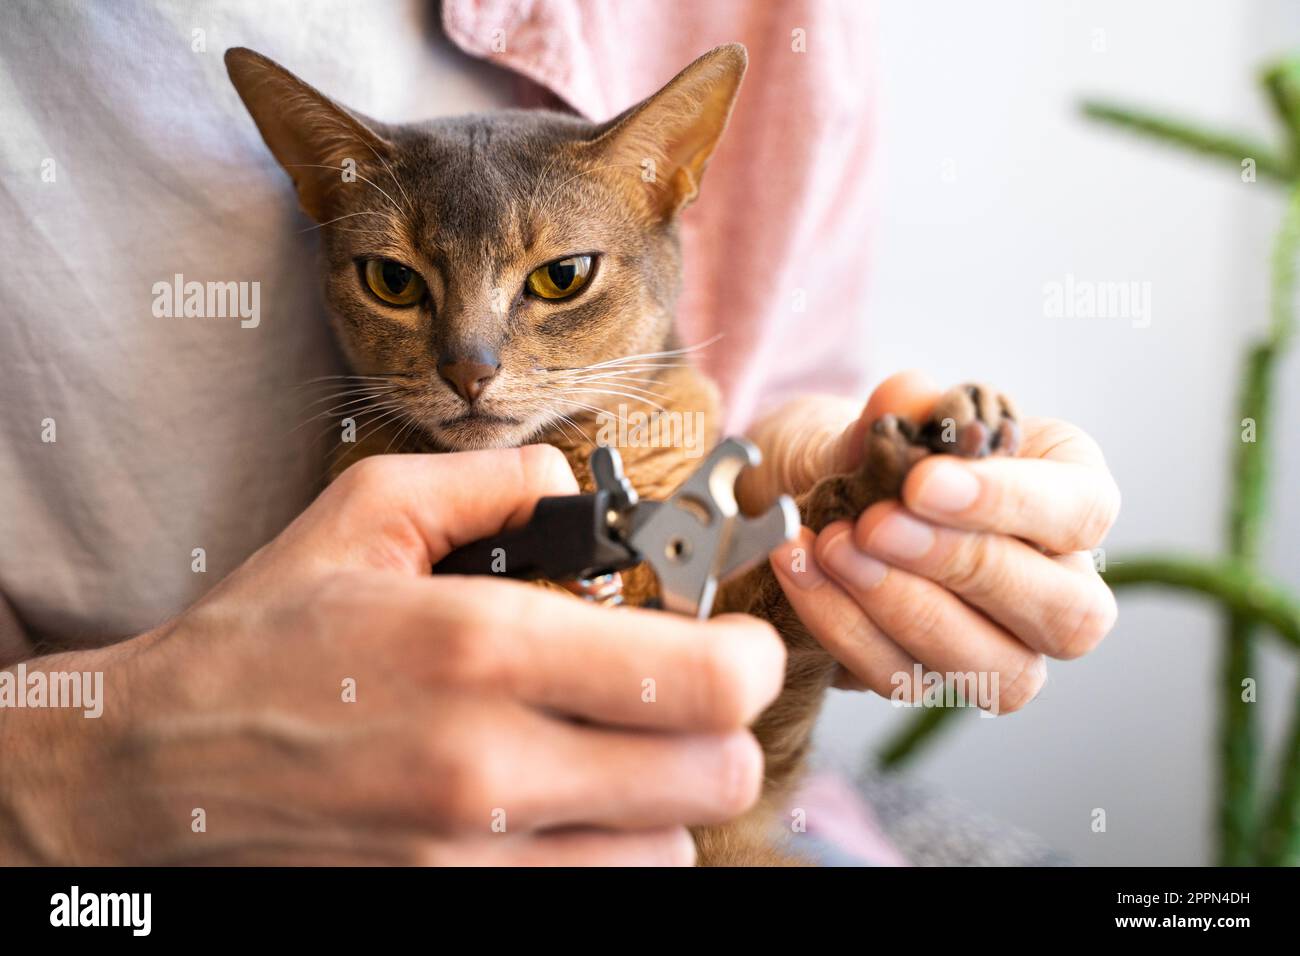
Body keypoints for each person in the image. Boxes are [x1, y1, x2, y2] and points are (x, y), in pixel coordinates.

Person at [0, 0, 1118, 864]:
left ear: (670, 182)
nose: (469, 364)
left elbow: (740, 758)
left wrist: (840, 502)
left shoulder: (793, 34)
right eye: (396, 279)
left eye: (560, 275)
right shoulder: (365, 491)